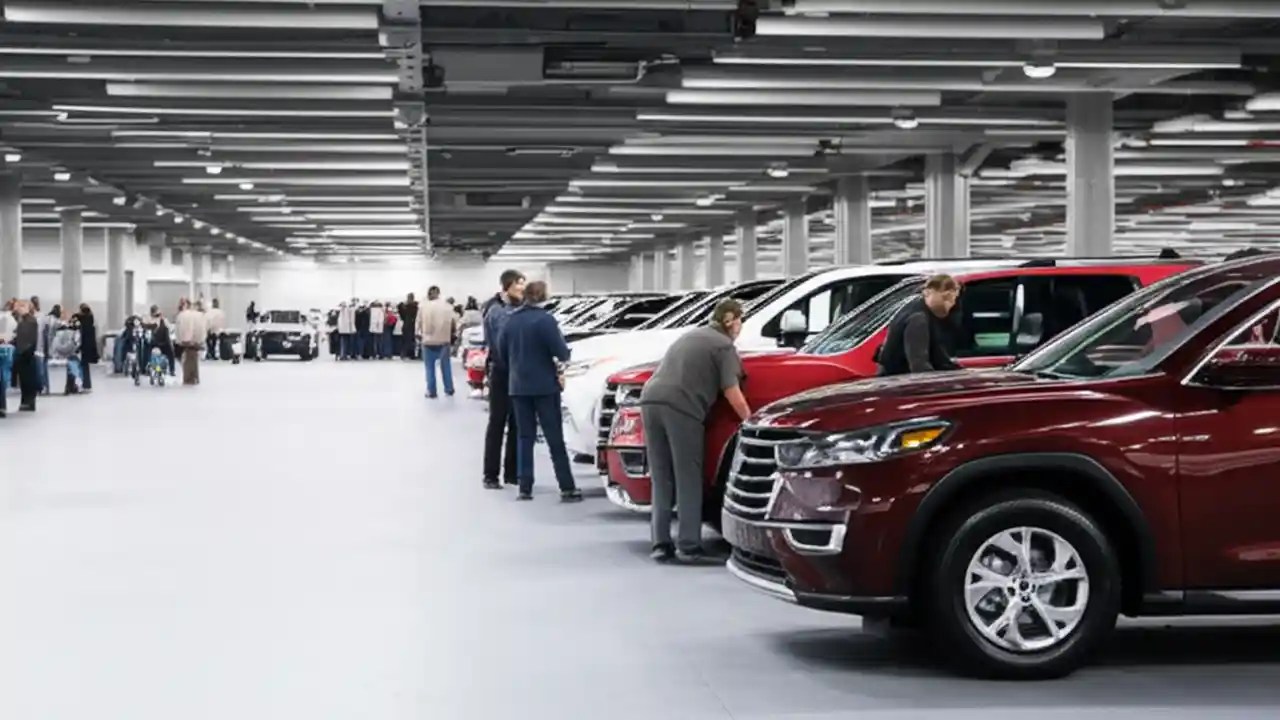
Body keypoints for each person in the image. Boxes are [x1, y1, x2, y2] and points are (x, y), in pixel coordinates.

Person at [639, 299, 751, 563]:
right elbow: (732, 390)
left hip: (650, 399)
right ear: (731, 320)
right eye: (740, 320)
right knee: (688, 475)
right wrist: (750, 419)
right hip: (682, 407)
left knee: (662, 475)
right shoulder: (723, 346)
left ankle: (660, 543)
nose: (740, 326)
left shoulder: (692, 335)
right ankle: (689, 545)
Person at [502, 281, 582, 502]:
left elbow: (501, 351)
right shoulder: (545, 320)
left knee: (524, 436)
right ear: (543, 297)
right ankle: (567, 487)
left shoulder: (511, 320)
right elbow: (561, 352)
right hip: (545, 386)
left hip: (518, 386)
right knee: (554, 437)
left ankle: (524, 487)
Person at [481, 270, 524, 489]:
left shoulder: (514, 308)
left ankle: (512, 473)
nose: (522, 289)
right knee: (498, 422)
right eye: (518, 285)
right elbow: (501, 346)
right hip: (502, 372)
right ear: (507, 286)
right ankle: (491, 475)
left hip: (514, 372)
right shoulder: (497, 311)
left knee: (516, 423)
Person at [876, 274, 962, 377]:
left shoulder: (920, 310)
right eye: (945, 297)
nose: (949, 304)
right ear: (928, 293)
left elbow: (938, 356)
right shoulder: (918, 319)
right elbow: (919, 365)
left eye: (953, 299)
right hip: (898, 382)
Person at [416, 286, 456, 398]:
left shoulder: (422, 306)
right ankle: (449, 388)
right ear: (439, 293)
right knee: (446, 366)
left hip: (428, 341)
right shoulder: (447, 306)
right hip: (444, 340)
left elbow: (418, 323)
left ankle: (431, 391)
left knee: (429, 368)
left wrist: (418, 335)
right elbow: (454, 323)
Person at [13, 299, 40, 411]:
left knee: (28, 380)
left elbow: (28, 339)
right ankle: (26, 401)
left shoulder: (30, 321)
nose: (19, 308)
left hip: (27, 354)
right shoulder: (22, 320)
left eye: (22, 306)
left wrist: (23, 350)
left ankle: (29, 402)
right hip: (24, 353)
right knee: (24, 380)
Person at [175, 298, 207, 385]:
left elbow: (181, 328)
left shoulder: (183, 315)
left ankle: (189, 378)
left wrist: (181, 339)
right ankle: (195, 377)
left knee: (188, 360)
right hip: (196, 340)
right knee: (193, 359)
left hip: (186, 341)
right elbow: (203, 328)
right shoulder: (200, 315)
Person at [75, 303, 98, 392]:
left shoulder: (81, 320)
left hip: (82, 346)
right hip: (88, 347)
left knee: (82, 365)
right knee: (85, 366)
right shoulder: (90, 320)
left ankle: (82, 384)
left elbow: (77, 317)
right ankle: (86, 384)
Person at [0, 299, 16, 417]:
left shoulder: (4, 318)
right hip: (8, 348)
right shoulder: (12, 320)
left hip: (3, 347)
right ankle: (2, 406)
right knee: (4, 375)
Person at [398, 293, 419, 360]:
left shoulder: (405, 307)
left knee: (406, 340)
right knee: (411, 340)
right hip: (412, 325)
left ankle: (404, 354)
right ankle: (410, 354)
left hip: (407, 325)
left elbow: (402, 315)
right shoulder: (415, 306)